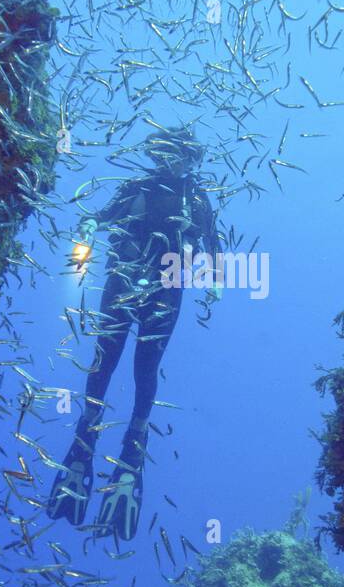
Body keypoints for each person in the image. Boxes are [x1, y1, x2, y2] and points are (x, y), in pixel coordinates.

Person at [48, 126, 221, 539]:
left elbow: (213, 242)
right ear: (160, 154)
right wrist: (88, 227)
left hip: (166, 291)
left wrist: (214, 276)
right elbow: (101, 216)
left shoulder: (196, 199)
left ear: (192, 160)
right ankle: (86, 434)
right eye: (172, 154)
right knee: (104, 361)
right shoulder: (136, 186)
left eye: (185, 157)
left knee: (146, 367)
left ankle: (133, 444)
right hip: (123, 284)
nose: (178, 163)